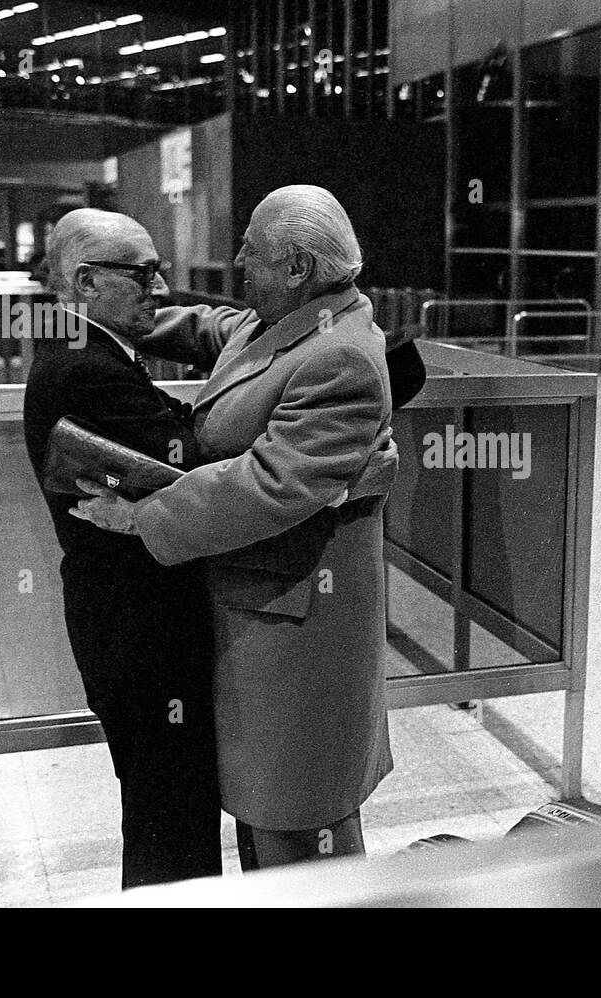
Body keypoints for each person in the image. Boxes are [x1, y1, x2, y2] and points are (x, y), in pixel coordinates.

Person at [72, 185, 396, 869]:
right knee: (268, 805)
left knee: (299, 818)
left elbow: (269, 484)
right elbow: (211, 332)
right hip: (265, 611)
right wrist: (105, 315)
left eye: (253, 252)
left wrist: (146, 516)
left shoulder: (341, 356)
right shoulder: (288, 320)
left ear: (299, 268)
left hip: (302, 629)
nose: (238, 260)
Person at [22, 208, 222, 889]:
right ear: (84, 283)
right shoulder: (86, 369)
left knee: (161, 811)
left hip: (121, 626)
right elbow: (191, 454)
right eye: (142, 273)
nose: (161, 286)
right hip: (145, 635)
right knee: (173, 820)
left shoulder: (85, 355)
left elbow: (169, 429)